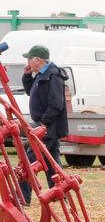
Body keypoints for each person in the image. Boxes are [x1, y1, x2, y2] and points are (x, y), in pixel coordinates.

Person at [20, 44, 69, 202]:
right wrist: (27, 76)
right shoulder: (42, 75)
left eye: (29, 59)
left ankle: (22, 197)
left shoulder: (52, 76)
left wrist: (43, 123)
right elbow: (30, 92)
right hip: (46, 126)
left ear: (37, 60)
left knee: (29, 161)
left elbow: (56, 104)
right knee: (52, 162)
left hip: (47, 127)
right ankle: (60, 194)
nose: (27, 62)